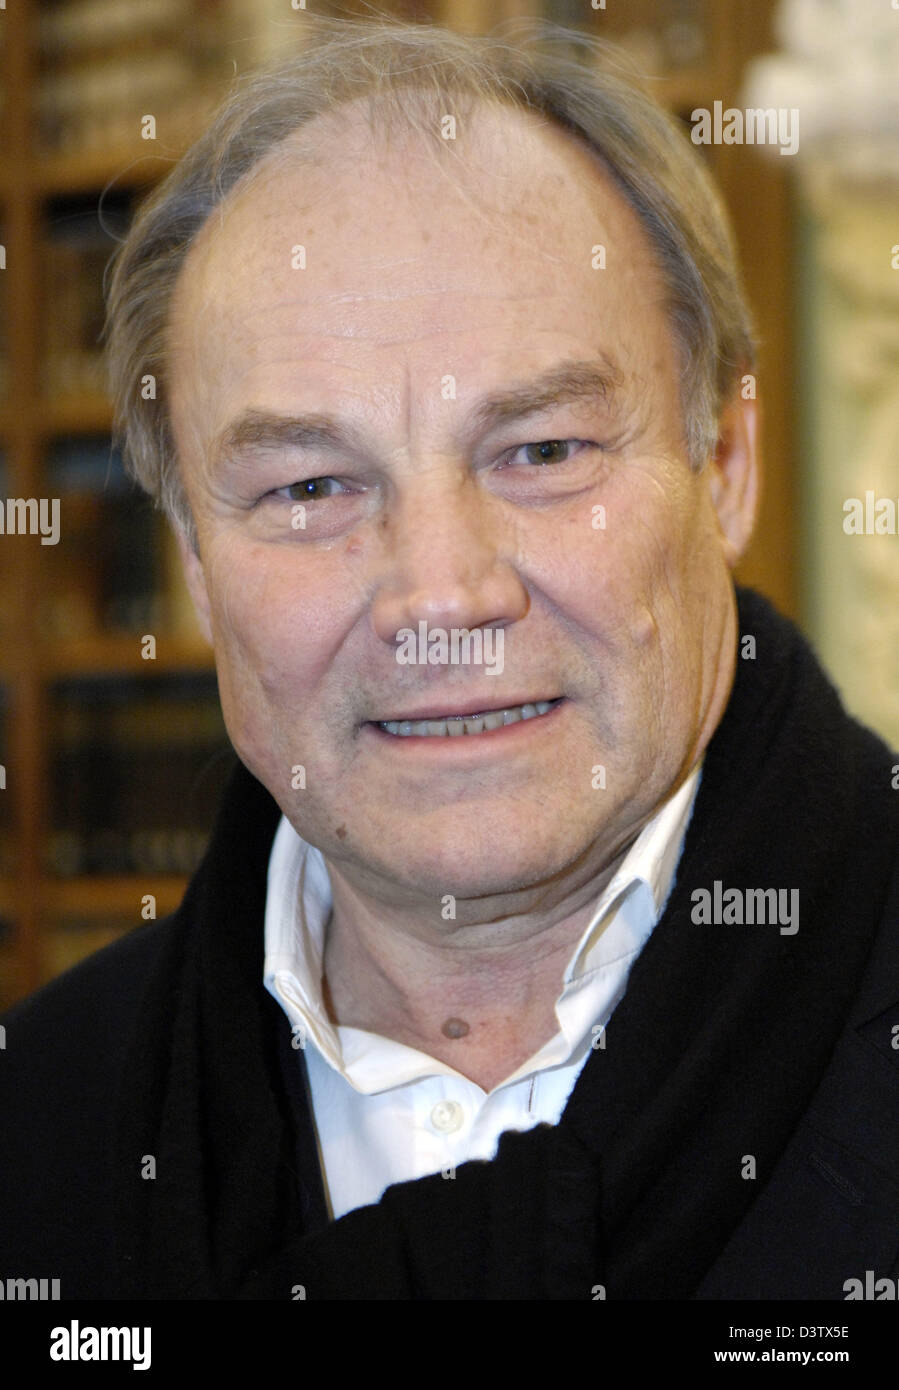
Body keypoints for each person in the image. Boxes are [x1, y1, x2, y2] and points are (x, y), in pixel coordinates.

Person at [2, 16, 897, 1302]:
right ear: (196, 567)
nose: (440, 596)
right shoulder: (39, 1124)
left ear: (724, 466)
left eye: (540, 452)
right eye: (311, 484)